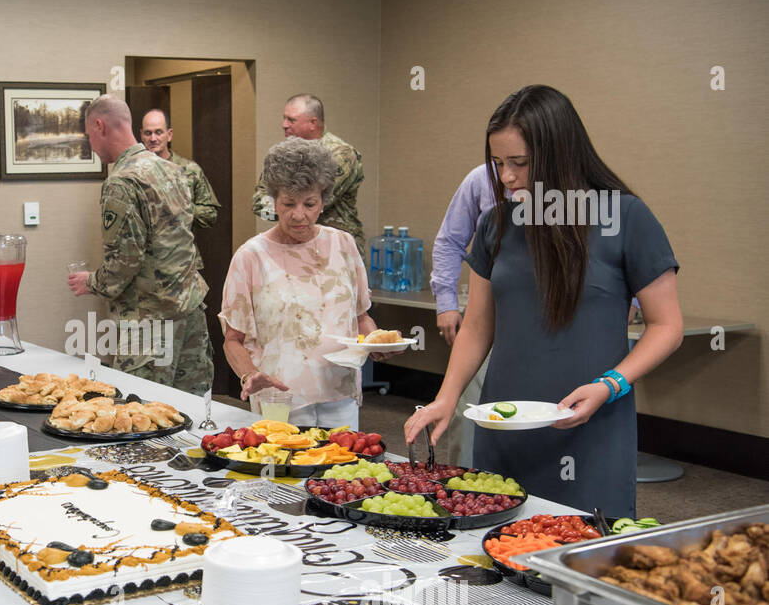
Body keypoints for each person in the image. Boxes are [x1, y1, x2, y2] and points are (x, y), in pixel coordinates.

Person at [405, 85, 684, 516]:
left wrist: (610, 385)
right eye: (498, 164)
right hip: (505, 421)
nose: (506, 177)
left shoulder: (626, 218)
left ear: (560, 155)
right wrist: (447, 397)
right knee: (499, 545)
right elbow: (478, 326)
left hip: (593, 423)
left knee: (580, 555)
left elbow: (667, 327)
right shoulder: (497, 225)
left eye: (519, 163)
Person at [221, 139, 382, 427]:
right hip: (278, 396)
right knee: (282, 467)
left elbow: (361, 318)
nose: (299, 214)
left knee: (340, 469)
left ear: (323, 199)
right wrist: (248, 375)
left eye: (310, 204)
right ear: (274, 201)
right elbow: (233, 339)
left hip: (339, 393)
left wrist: (378, 343)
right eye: (288, 203)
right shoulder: (251, 256)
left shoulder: (342, 244)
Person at [66, 94, 212, 394]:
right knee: (194, 413)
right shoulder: (173, 171)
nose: (91, 145)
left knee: (143, 415)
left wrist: (91, 282)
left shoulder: (122, 182)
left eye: (89, 135)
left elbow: (124, 261)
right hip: (189, 312)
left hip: (148, 322)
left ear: (99, 125)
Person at [430, 163, 501, 465]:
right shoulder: (480, 179)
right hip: (485, 311)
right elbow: (450, 240)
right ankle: (461, 489)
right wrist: (446, 301)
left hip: (541, 322)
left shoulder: (573, 187)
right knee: (468, 409)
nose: (509, 174)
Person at [250, 94, 365, 255]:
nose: (284, 125)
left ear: (313, 123)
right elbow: (258, 202)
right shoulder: (284, 155)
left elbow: (320, 201)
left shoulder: (341, 154)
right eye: (284, 119)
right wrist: (283, 207)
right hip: (292, 245)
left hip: (334, 249)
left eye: (291, 120)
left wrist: (284, 206)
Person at [138, 108, 220, 232]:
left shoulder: (190, 170)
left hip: (182, 249)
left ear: (169, 135)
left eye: (158, 132)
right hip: (146, 250)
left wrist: (181, 209)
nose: (153, 138)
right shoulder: (134, 172)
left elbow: (210, 215)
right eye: (148, 133)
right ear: (141, 135)